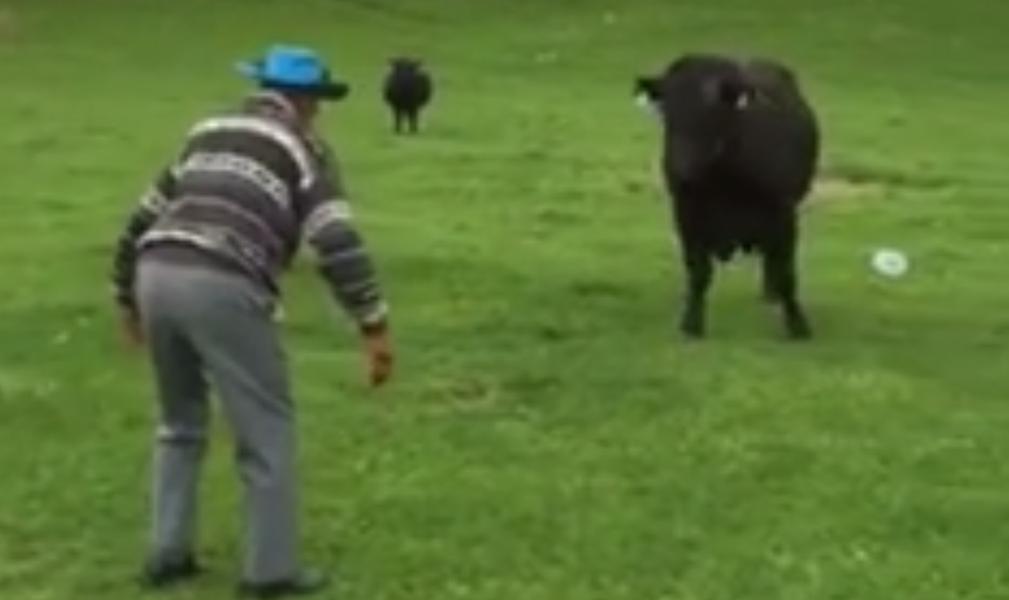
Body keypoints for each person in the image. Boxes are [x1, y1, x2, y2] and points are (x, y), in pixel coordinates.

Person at [110, 44, 394, 598]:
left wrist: (127, 298)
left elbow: (143, 214)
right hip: (223, 278)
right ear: (307, 101)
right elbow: (335, 238)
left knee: (179, 421)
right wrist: (373, 323)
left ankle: (167, 553)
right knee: (266, 427)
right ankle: (270, 570)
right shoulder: (303, 149)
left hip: (156, 269)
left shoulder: (207, 131)